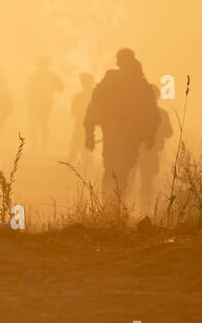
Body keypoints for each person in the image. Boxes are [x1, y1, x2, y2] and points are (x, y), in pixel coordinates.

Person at [83, 49, 160, 202]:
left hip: (116, 136)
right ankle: (114, 205)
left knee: (112, 170)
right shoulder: (140, 83)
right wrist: (149, 136)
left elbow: (93, 108)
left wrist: (89, 136)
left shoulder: (114, 80)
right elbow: (153, 114)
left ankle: (110, 205)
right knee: (121, 171)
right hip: (127, 138)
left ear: (118, 61)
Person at [138, 83, 174, 211]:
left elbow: (169, 132)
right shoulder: (162, 113)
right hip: (147, 150)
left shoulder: (137, 111)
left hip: (140, 150)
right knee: (146, 180)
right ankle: (144, 208)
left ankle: (139, 208)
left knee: (137, 179)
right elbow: (169, 133)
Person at [24, 56, 63, 153]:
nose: (40, 65)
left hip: (44, 103)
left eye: (41, 63)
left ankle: (42, 146)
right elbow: (28, 88)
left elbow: (60, 87)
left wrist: (50, 88)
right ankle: (36, 145)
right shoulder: (37, 75)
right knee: (36, 124)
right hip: (37, 103)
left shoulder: (49, 76)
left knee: (41, 124)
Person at [67, 72, 96, 167]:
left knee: (80, 145)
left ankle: (74, 165)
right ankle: (74, 164)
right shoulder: (81, 97)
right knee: (79, 145)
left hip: (85, 124)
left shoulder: (79, 97)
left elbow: (74, 113)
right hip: (84, 124)